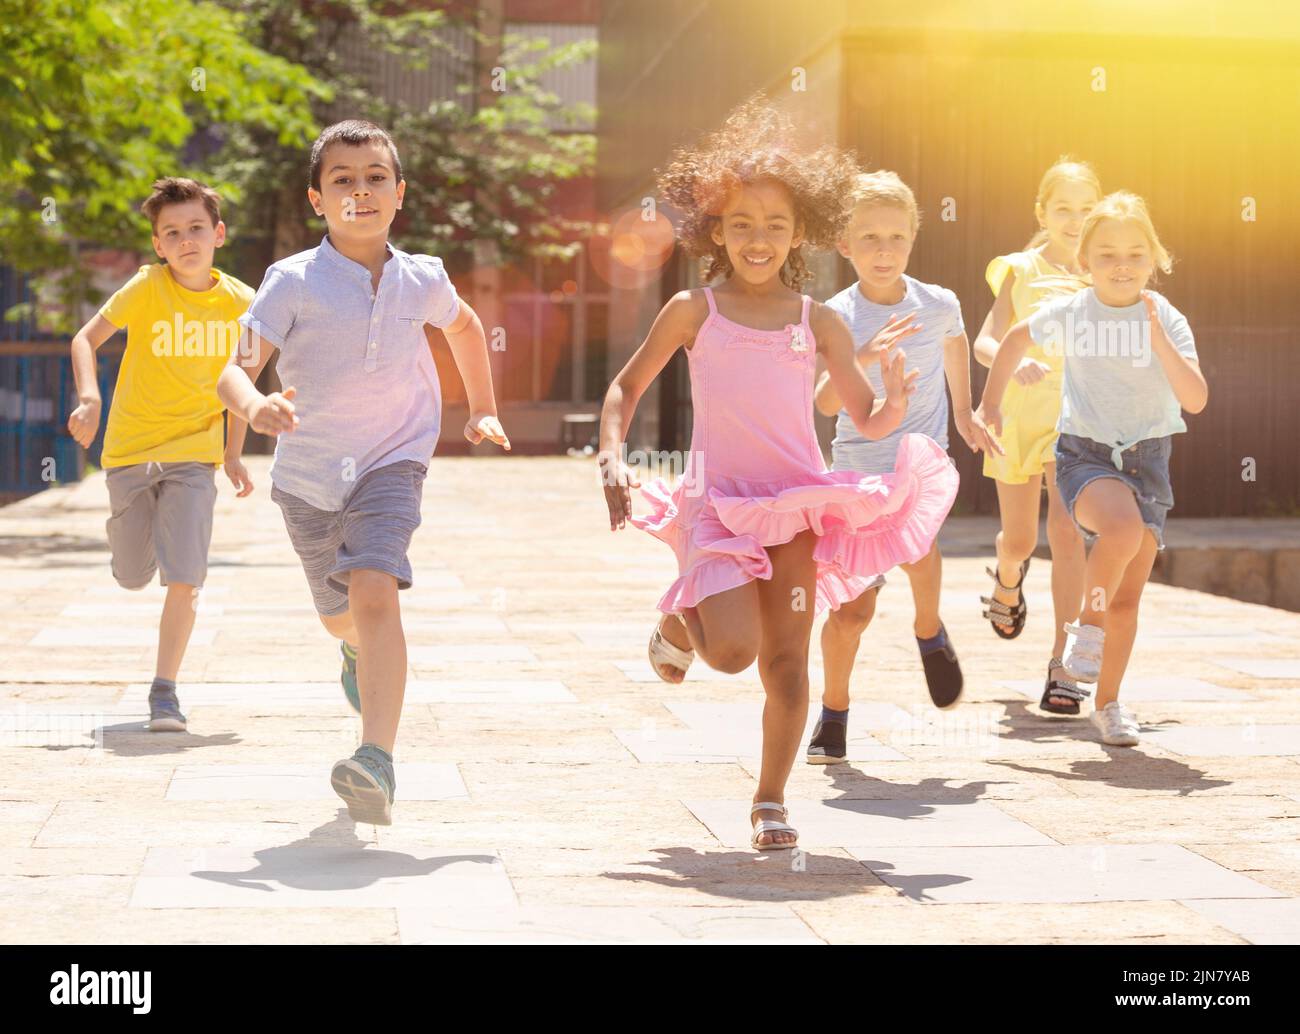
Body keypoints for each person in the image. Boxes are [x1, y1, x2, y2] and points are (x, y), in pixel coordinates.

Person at [599, 100, 958, 849]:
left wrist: (893, 399)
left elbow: (863, 417)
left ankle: (770, 802)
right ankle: (678, 615)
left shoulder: (820, 321)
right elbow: (625, 389)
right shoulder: (691, 311)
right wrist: (611, 456)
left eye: (774, 225)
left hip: (796, 505)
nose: (757, 240)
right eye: (740, 224)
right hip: (720, 506)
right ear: (715, 231)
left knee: (788, 661)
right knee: (730, 653)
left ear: (800, 233)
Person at [217, 120, 510, 823]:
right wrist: (255, 407)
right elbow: (232, 368)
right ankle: (352, 652)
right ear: (318, 200)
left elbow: (465, 328)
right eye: (342, 180)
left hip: (393, 461)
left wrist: (482, 410)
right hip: (308, 479)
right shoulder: (292, 281)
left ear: (399, 193)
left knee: (377, 590)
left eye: (375, 176)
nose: (360, 190)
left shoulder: (423, 277)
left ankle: (375, 757)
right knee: (340, 617)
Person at [972, 191, 1206, 746]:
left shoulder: (1164, 316)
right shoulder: (1074, 311)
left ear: (1154, 258)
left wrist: (1157, 342)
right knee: (1119, 531)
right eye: (1105, 254)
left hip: (1149, 464)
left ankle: (1109, 704)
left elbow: (1194, 399)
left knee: (1128, 597)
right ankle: (1086, 629)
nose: (1120, 264)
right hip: (1085, 456)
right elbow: (1013, 338)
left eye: (1134, 253)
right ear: (1085, 262)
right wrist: (990, 404)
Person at [66, 177, 256, 733]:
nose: (186, 239)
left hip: (195, 456)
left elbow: (243, 381)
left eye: (196, 228)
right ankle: (133, 549)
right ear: (158, 245)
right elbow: (85, 338)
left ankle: (164, 691)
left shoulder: (243, 303)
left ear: (218, 233)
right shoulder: (146, 286)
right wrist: (89, 397)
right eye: (172, 232)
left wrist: (234, 453)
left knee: (185, 577)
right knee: (131, 575)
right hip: (129, 451)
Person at [808, 170, 978, 764]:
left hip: (916, 460)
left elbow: (954, 348)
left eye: (897, 238)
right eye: (870, 238)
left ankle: (929, 630)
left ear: (913, 240)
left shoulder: (939, 304)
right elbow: (825, 402)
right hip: (857, 474)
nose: (885, 251)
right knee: (852, 610)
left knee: (919, 549)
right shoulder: (832, 315)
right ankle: (833, 714)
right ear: (845, 244)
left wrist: (966, 415)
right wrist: (865, 356)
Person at [972, 158, 1100, 715]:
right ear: (1041, 212)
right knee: (1021, 540)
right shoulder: (1020, 269)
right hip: (1020, 417)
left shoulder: (1106, 272)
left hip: (1077, 422)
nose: (1075, 220)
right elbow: (985, 341)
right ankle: (1006, 578)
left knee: (1069, 534)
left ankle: (1062, 666)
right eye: (1063, 208)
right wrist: (1008, 366)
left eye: (1086, 208)